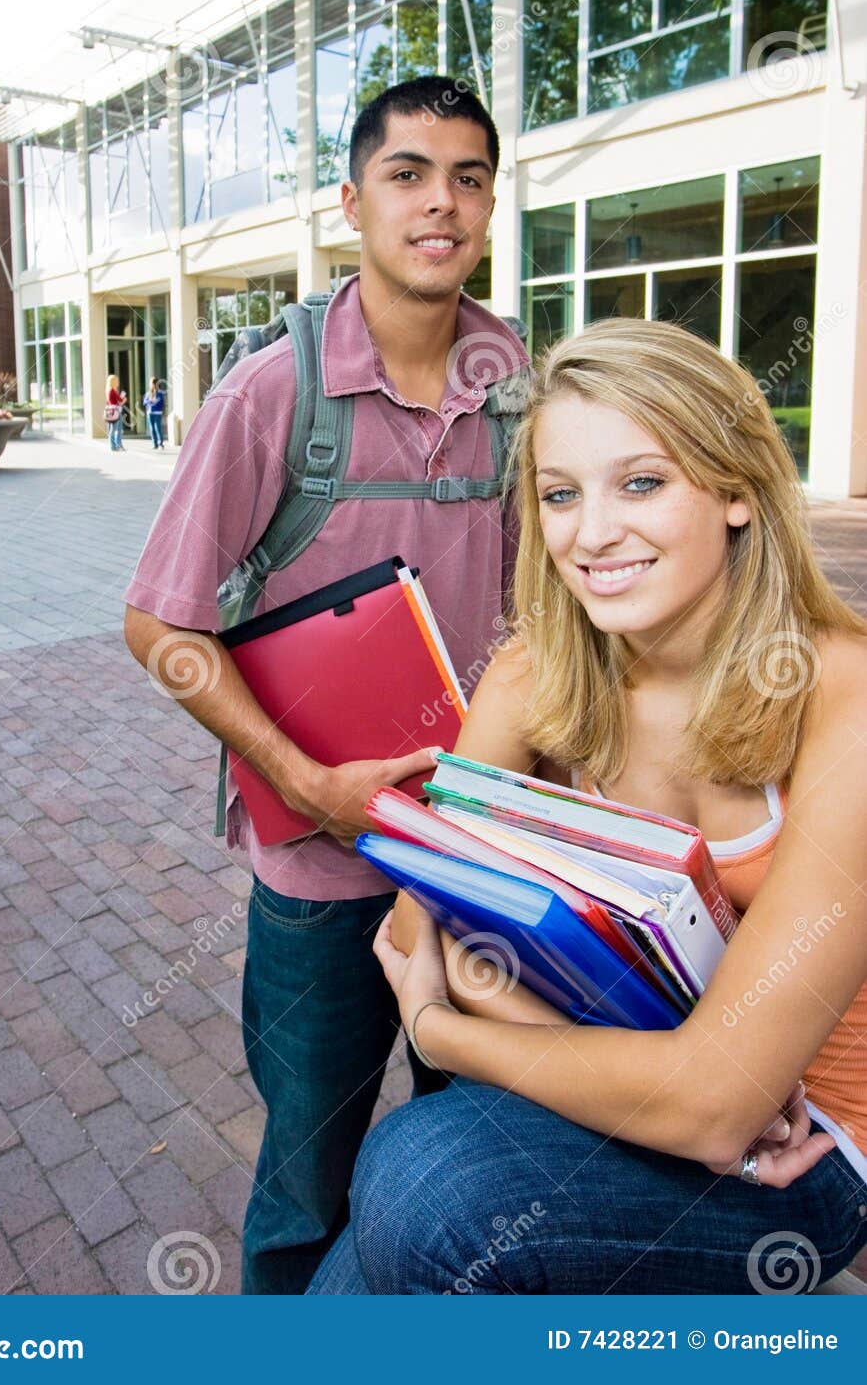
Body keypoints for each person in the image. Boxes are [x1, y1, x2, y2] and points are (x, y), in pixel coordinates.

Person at [308, 317, 867, 1296]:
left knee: (418, 1185)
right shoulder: (534, 672)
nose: (590, 532)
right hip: (640, 1089)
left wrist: (440, 1034)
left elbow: (713, 1109)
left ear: (735, 491)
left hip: (808, 1150)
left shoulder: (841, 697)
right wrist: (686, 1076)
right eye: (559, 494)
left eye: (640, 482)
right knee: (392, 1234)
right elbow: (416, 936)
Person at [123, 76, 529, 1294]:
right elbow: (159, 623)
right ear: (351, 202)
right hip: (321, 871)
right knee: (307, 1182)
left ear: (489, 204)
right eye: (407, 174)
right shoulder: (270, 394)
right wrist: (306, 780)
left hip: (479, 859)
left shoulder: (517, 381)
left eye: (466, 176)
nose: (438, 203)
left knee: (476, 1170)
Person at [105, 374, 126, 451]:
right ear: (113, 382)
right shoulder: (112, 391)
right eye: (117, 380)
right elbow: (119, 401)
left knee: (115, 429)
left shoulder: (109, 390)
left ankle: (116, 445)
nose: (118, 382)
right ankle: (115, 445)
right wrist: (123, 399)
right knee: (116, 429)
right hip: (115, 411)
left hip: (113, 411)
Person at [143, 378, 165, 449]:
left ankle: (160, 443)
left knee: (157, 428)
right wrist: (150, 401)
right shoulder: (148, 393)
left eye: (154, 383)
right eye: (151, 384)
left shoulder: (160, 393)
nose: (152, 385)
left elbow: (159, 401)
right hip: (150, 412)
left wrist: (153, 401)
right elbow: (144, 402)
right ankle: (155, 444)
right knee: (152, 429)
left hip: (157, 412)